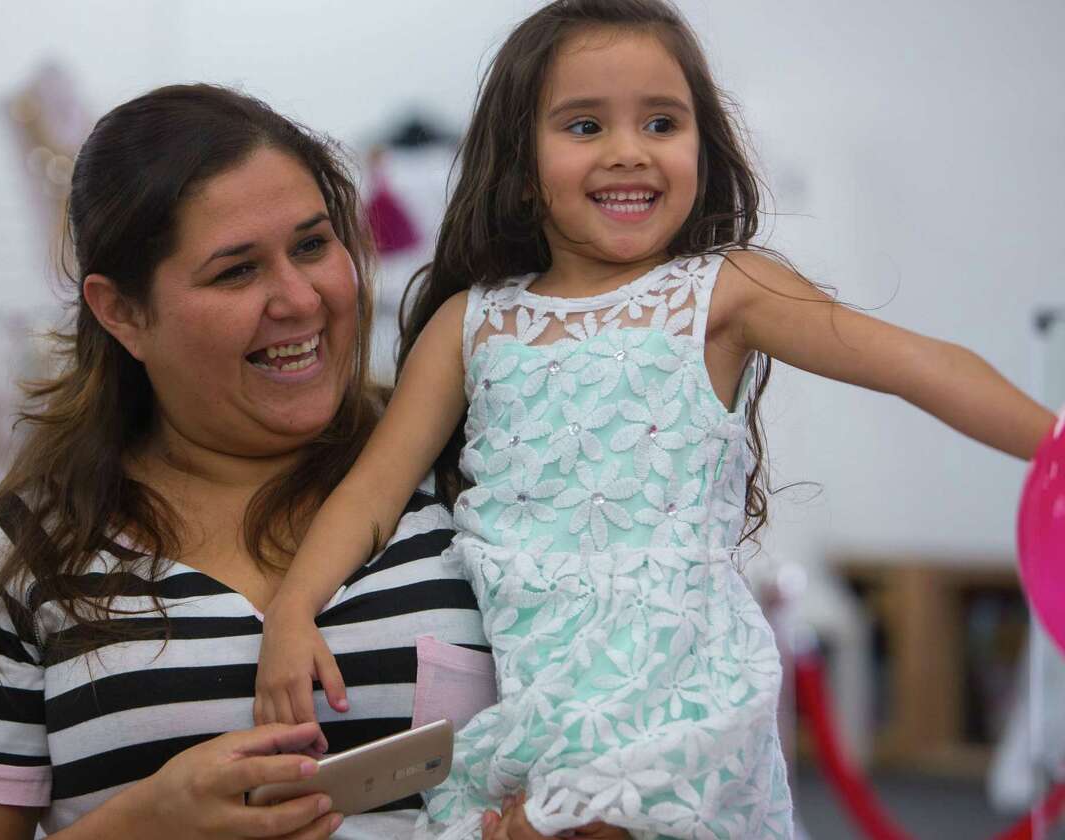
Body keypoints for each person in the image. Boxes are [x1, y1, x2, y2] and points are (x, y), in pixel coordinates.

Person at [252, 0, 1059, 837]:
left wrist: (1056, 445)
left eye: (662, 121)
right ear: (522, 164)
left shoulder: (727, 292)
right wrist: (293, 611)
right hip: (540, 713)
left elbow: (919, 367)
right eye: (584, 124)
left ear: (701, 148)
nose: (628, 151)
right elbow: (373, 493)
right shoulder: (473, 322)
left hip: (686, 708)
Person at [0, 83, 491, 840]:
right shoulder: (29, 551)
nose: (298, 298)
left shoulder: (466, 472)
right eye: (236, 271)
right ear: (122, 312)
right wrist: (144, 826)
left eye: (312, 244)